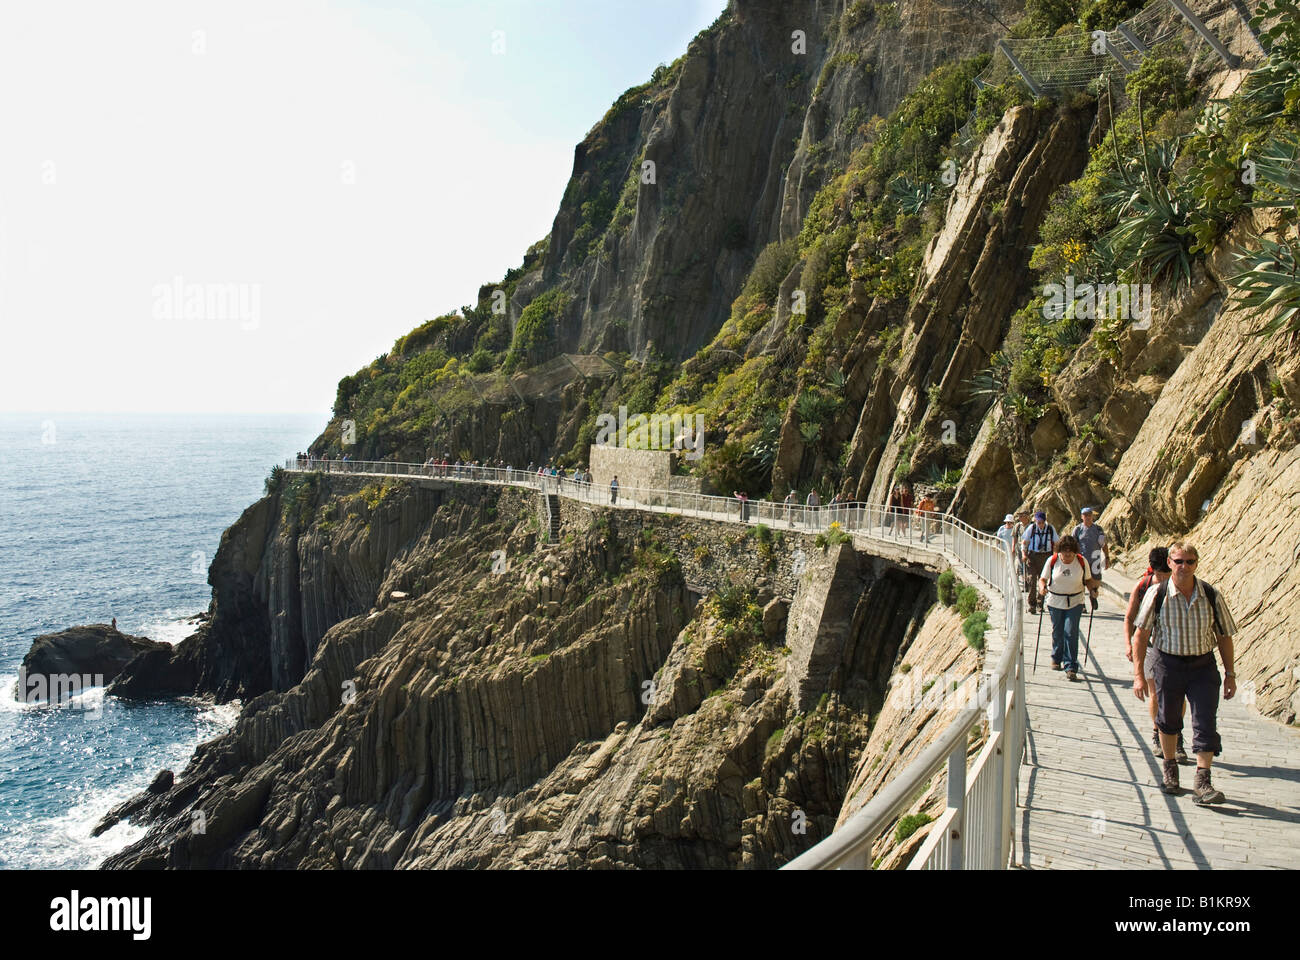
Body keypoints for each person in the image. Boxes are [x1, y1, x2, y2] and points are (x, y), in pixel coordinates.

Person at [1132, 542, 1237, 804]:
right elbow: (1141, 635)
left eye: (1190, 562)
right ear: (1169, 563)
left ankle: (1203, 781)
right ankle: (1170, 770)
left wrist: (1230, 673)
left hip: (1203, 665)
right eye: (1179, 561)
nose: (1184, 567)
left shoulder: (1211, 594)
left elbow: (1224, 635)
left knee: (1205, 721)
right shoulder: (1157, 594)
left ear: (1196, 563)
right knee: (1167, 719)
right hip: (1168, 664)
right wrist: (1138, 674)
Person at [1124, 547, 1187, 762]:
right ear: (1152, 570)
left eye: (1166, 574)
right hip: (1151, 646)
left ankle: (1176, 735)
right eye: (1159, 575)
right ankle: (1157, 731)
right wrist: (1129, 645)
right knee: (1156, 693)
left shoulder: (1182, 585)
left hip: (1177, 646)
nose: (1163, 579)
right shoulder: (1142, 587)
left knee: (1179, 694)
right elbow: (1129, 618)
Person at [1038, 534, 1097, 681]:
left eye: (1070, 552)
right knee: (1058, 631)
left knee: (1070, 631)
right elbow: (1043, 579)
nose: (1068, 555)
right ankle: (1056, 657)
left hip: (1075, 601)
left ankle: (1070, 666)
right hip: (1055, 601)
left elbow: (1088, 580)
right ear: (1060, 551)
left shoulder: (1081, 561)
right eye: (1065, 552)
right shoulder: (1052, 560)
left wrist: (1093, 591)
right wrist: (1042, 588)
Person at [1073, 506, 1110, 611]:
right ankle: (1081, 604)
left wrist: (1107, 558)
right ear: (1082, 517)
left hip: (1095, 559)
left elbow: (1103, 544)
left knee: (1096, 580)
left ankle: (1093, 595)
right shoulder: (1078, 529)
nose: (1088, 517)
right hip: (1081, 559)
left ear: (1092, 516)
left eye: (1089, 515)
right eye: (1085, 515)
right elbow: (1072, 544)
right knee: (1080, 582)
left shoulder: (1098, 529)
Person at [1022, 510, 1057, 615]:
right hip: (1033, 557)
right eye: (1038, 522)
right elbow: (1025, 542)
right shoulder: (1031, 528)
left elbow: (1056, 542)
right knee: (1032, 580)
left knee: (1043, 580)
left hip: (1046, 557)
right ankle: (1031, 604)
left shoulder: (1050, 529)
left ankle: (1040, 604)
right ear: (1035, 521)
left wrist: (1055, 556)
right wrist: (1024, 554)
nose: (1040, 524)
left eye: (1042, 522)